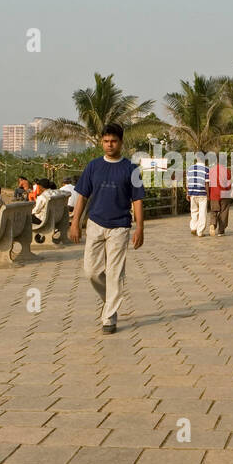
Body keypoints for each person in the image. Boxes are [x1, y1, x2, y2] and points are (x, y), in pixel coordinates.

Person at [69, 123, 145, 334]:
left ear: (120, 142)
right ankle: (109, 299)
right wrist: (75, 223)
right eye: (105, 141)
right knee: (91, 271)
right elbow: (82, 196)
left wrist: (140, 228)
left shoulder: (131, 169)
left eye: (113, 141)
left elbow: (137, 200)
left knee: (114, 273)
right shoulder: (93, 166)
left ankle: (109, 317)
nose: (109, 145)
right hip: (95, 223)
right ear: (101, 142)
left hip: (120, 227)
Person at [206, 156, 233, 236]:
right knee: (224, 212)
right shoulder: (227, 171)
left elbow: (208, 183)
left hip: (214, 193)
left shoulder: (211, 170)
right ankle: (221, 231)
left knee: (214, 211)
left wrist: (209, 194)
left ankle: (212, 224)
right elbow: (228, 184)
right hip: (224, 193)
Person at [186, 153, 209, 237]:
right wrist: (208, 195)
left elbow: (188, 182)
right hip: (202, 193)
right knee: (202, 213)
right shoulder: (206, 169)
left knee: (194, 211)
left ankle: (193, 227)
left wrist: (187, 193)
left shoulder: (190, 168)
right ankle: (200, 231)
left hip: (192, 193)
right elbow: (207, 183)